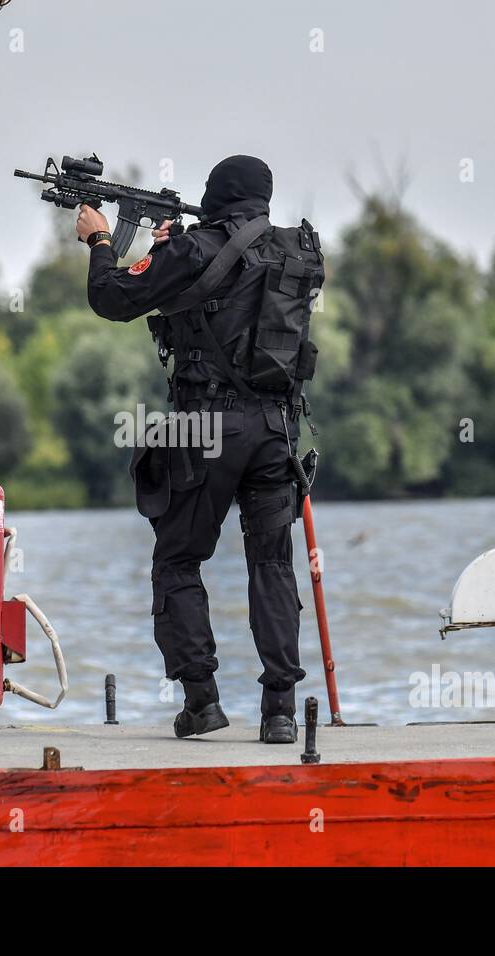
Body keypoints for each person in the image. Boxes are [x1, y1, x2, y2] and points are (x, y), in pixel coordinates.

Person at [77, 155, 324, 743]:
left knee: (178, 561)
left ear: (214, 194)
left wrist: (102, 239)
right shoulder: (299, 253)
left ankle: (201, 702)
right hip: (274, 432)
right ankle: (281, 713)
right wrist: (170, 252)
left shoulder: (194, 250)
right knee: (272, 564)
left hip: (203, 429)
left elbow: (112, 298)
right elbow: (241, 304)